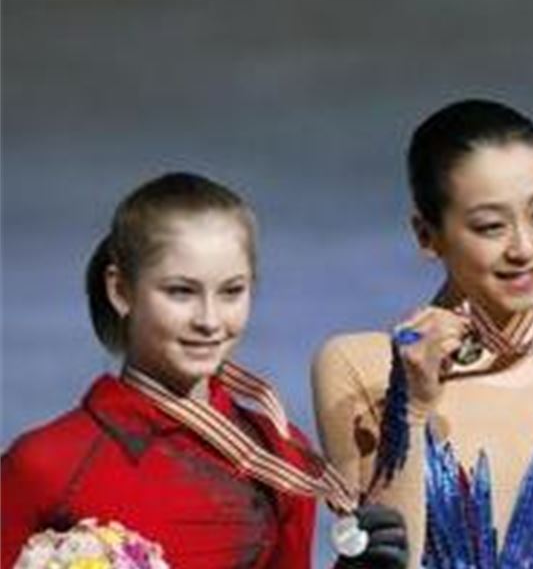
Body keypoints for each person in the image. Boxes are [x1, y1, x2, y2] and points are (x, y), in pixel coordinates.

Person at [312, 99, 533, 567]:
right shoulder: (359, 365)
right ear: (426, 234)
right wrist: (411, 408)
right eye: (491, 226)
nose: (524, 247)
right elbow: (383, 562)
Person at [1, 172, 407, 569]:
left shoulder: (280, 456)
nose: (210, 320)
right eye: (181, 291)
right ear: (120, 290)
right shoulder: (43, 464)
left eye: (232, 291)